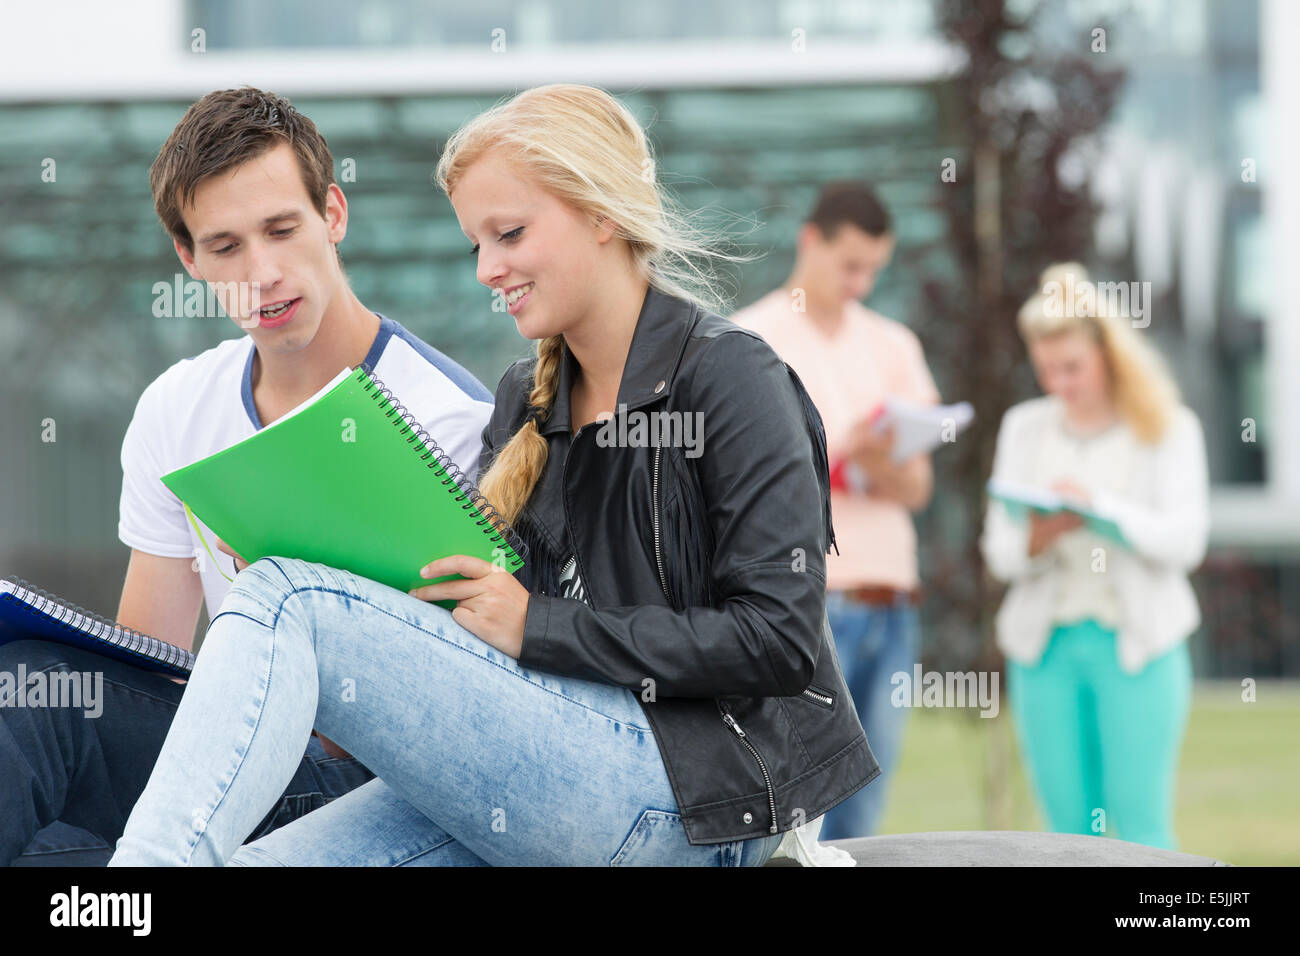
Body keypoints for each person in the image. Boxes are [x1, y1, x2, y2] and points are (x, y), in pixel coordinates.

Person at [105, 82, 879, 867]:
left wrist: (533, 623)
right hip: (550, 768)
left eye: (508, 234)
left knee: (283, 592)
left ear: (603, 212)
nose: (487, 268)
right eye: (478, 243)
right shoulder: (524, 399)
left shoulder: (731, 377)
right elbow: (498, 644)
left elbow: (778, 642)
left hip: (700, 800)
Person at [2, 88, 494, 865]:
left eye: (281, 229)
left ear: (333, 214)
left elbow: (469, 712)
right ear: (187, 259)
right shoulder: (176, 409)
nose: (260, 274)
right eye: (225, 247)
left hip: (366, 786)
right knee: (20, 690)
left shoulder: (449, 421)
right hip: (216, 757)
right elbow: (150, 665)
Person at [730, 182, 938, 841]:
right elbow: (738, 483)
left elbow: (918, 489)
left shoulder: (893, 343)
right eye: (851, 264)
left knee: (867, 814)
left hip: (891, 600)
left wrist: (872, 464)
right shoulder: (749, 338)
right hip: (811, 605)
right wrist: (840, 455)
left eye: (875, 268)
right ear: (810, 241)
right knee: (802, 813)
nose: (862, 282)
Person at [980, 263, 1208, 850]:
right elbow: (1000, 553)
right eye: (1046, 369)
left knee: (1139, 830)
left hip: (1138, 650)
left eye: (1072, 367)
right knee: (1067, 839)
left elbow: (1186, 541)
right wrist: (1044, 532)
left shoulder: (1168, 427)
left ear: (1108, 353)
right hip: (1045, 651)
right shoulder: (1024, 428)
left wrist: (1103, 509)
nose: (1059, 382)